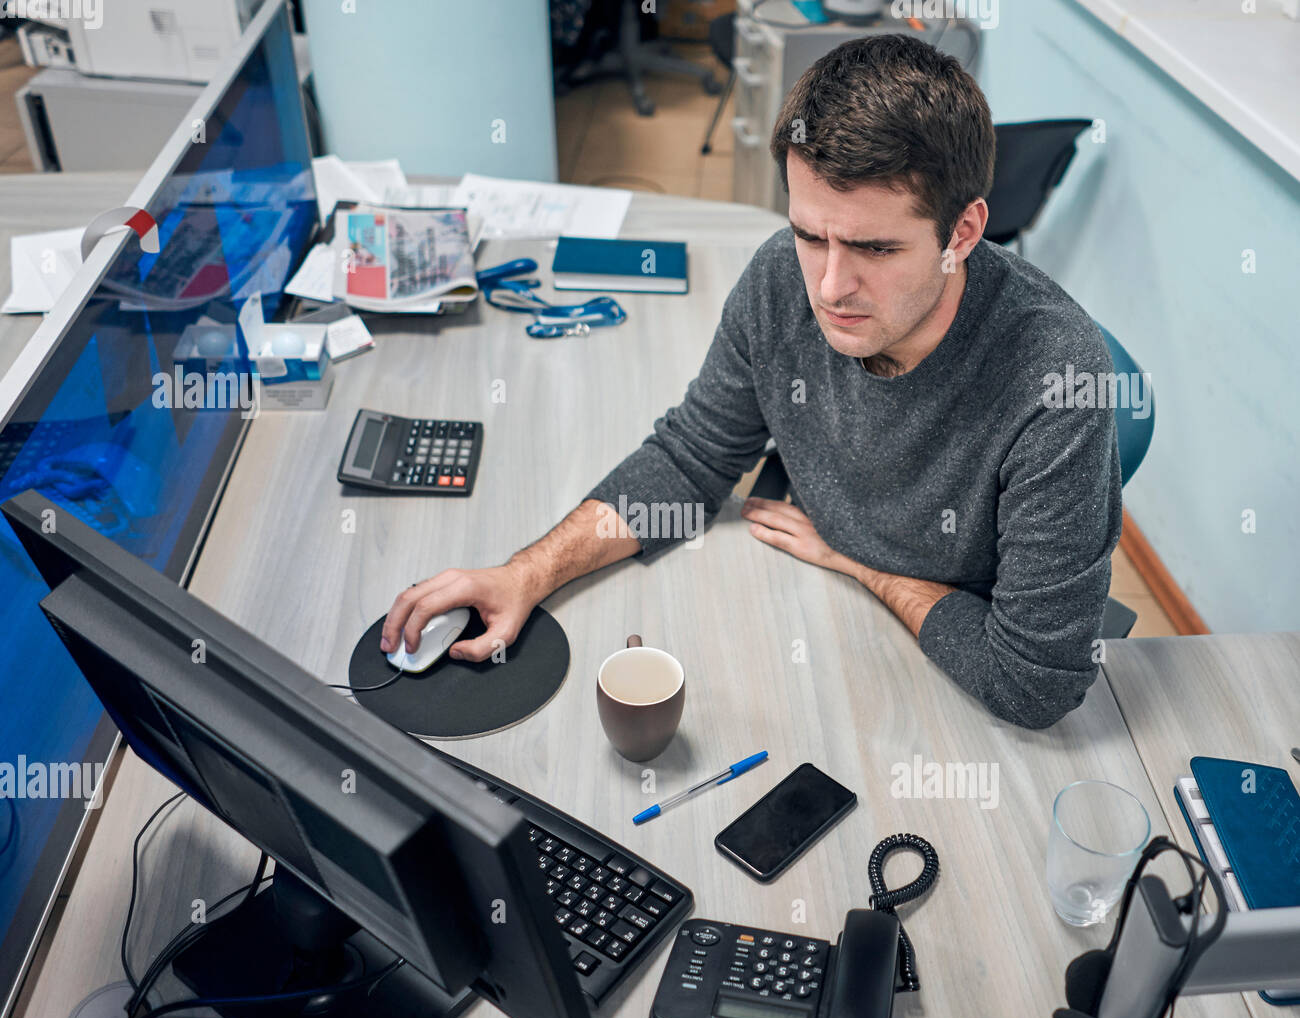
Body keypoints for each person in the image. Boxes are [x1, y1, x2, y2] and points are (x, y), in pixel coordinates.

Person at [382, 34, 1121, 730]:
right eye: (810, 234)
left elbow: (1034, 683)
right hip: (812, 600)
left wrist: (862, 564)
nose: (830, 286)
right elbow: (690, 460)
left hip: (943, 665)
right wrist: (525, 574)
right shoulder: (779, 278)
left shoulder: (1056, 380)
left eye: (874, 247)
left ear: (962, 233)